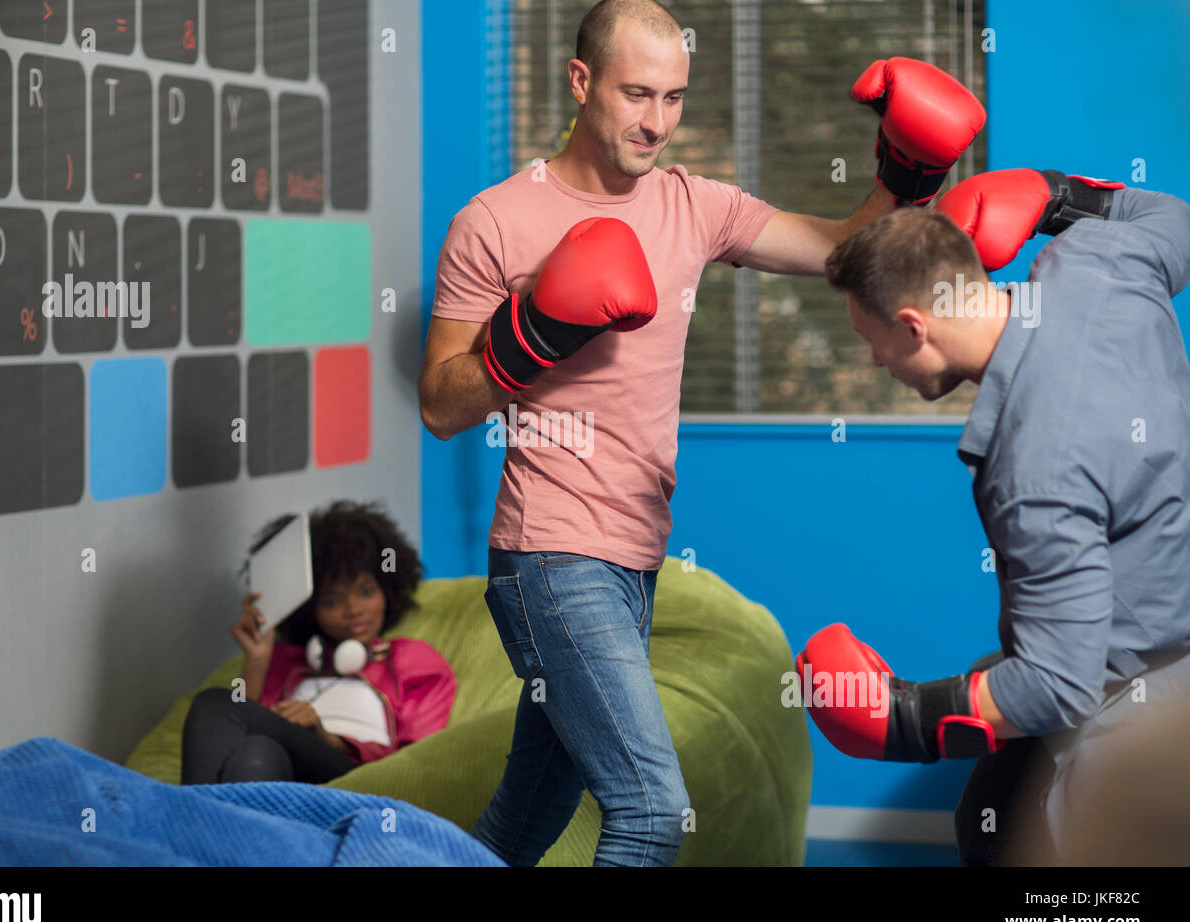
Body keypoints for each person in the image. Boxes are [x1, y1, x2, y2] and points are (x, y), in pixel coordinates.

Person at [420, 0, 984, 866]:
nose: (657, 122)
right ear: (581, 82)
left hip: (634, 555)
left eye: (675, 98)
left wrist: (909, 173)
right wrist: (533, 330)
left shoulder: (696, 204)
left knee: (526, 815)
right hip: (548, 554)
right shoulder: (494, 220)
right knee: (649, 811)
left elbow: (840, 247)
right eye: (637, 94)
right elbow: (440, 405)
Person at [800, 168, 1190, 864]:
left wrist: (902, 720)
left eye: (873, 340)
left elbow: (1057, 684)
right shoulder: (1093, 261)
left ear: (915, 327)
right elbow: (1175, 221)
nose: (875, 359)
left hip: (1137, 691)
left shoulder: (1035, 462)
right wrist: (1055, 193)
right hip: (1149, 616)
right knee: (987, 813)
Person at [180, 500, 456, 785]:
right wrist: (257, 661)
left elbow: (417, 763)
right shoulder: (287, 662)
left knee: (215, 703)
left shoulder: (412, 660)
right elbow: (234, 734)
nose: (353, 609)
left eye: (366, 591)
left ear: (387, 591)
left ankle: (181, 822)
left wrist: (329, 739)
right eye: (331, 600)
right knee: (255, 752)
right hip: (292, 781)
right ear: (309, 609)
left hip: (361, 782)